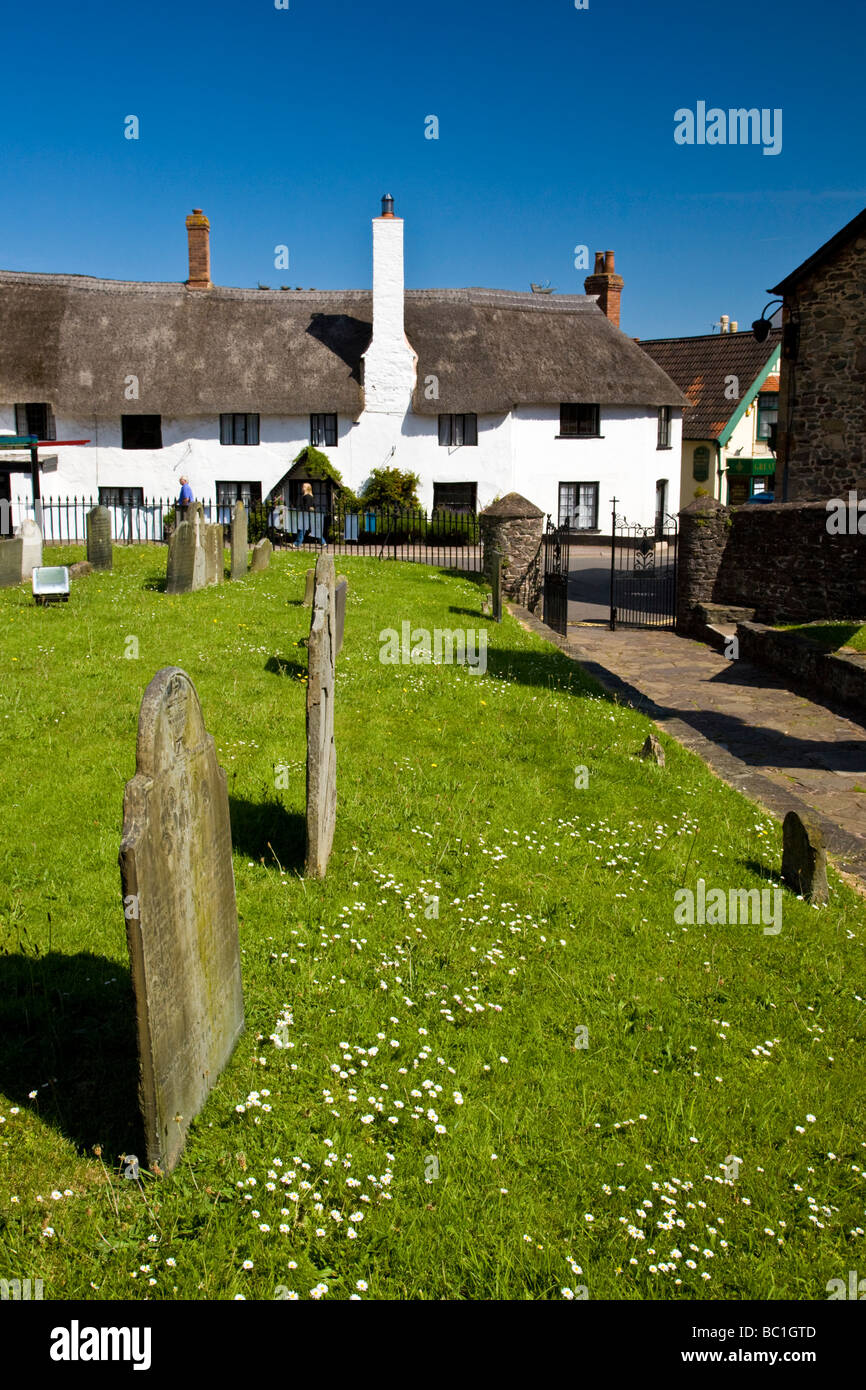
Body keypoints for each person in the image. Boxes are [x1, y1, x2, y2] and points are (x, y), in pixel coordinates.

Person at [294, 482, 326, 548]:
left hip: (306, 515)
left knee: (301, 529)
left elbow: (307, 507)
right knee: (314, 530)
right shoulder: (308, 496)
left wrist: (302, 510)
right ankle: (323, 542)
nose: (302, 488)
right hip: (308, 515)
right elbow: (313, 506)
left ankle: (297, 543)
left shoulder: (307, 496)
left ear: (307, 488)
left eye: (303, 487)